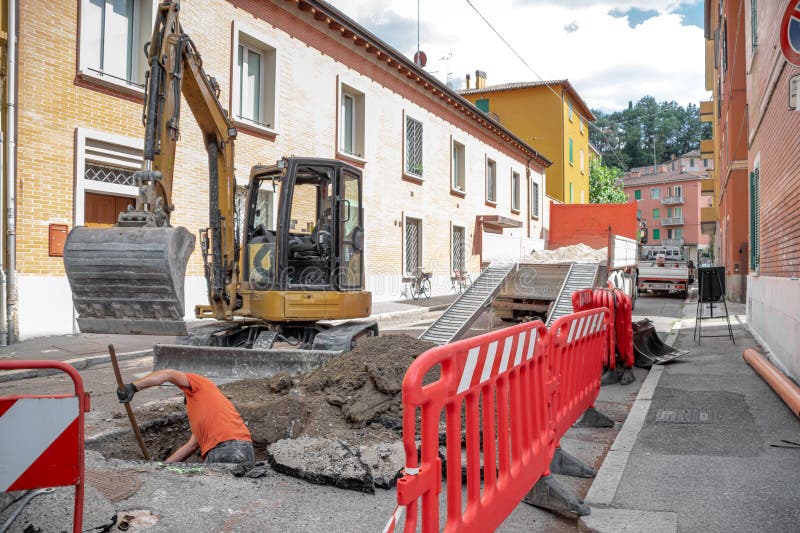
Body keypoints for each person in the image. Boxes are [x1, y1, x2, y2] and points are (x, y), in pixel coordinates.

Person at [117, 369, 254, 465]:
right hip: (245, 450)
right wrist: (161, 467)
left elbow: (168, 374)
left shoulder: (201, 385)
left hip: (226, 448)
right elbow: (190, 447)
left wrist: (134, 386)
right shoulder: (208, 416)